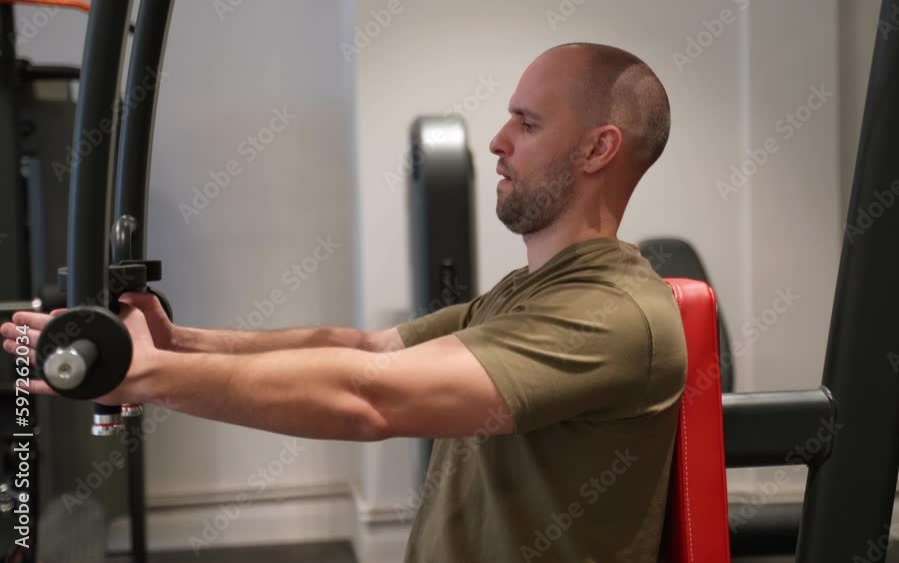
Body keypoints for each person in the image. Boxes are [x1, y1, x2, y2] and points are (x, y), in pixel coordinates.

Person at [1, 42, 686, 562]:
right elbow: (368, 349)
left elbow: (372, 400)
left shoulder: (611, 313)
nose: (497, 141)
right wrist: (177, 344)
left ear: (598, 149)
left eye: (527, 124)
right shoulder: (527, 292)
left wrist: (148, 376)